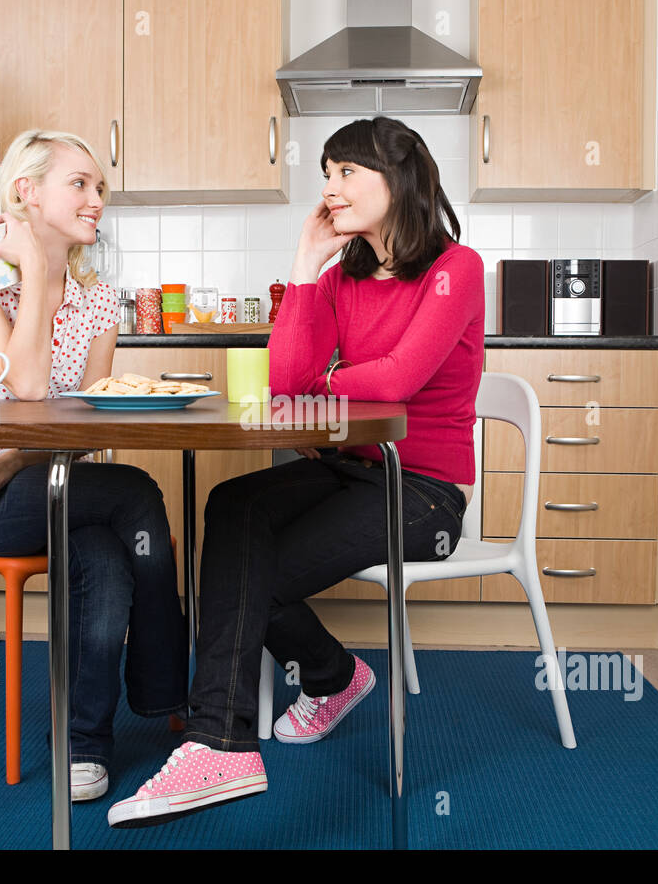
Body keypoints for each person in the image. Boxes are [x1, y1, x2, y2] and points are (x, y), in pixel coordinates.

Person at [109, 116, 485, 828]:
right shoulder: (341, 279)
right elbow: (288, 382)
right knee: (232, 507)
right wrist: (307, 263)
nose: (330, 188)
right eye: (326, 173)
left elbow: (402, 376)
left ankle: (275, 708)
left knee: (248, 575)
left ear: (398, 178)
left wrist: (329, 382)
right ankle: (251, 724)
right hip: (349, 466)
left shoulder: (454, 269)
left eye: (347, 171)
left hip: (423, 491)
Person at [0, 129, 188, 801]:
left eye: (99, 187)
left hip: (47, 483)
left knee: (105, 557)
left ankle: (84, 746)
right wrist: (40, 275)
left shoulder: (100, 298)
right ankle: (169, 692)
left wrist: (20, 456)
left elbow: (85, 424)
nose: (96, 199)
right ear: (26, 191)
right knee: (135, 493)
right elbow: (27, 387)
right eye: (80, 183)